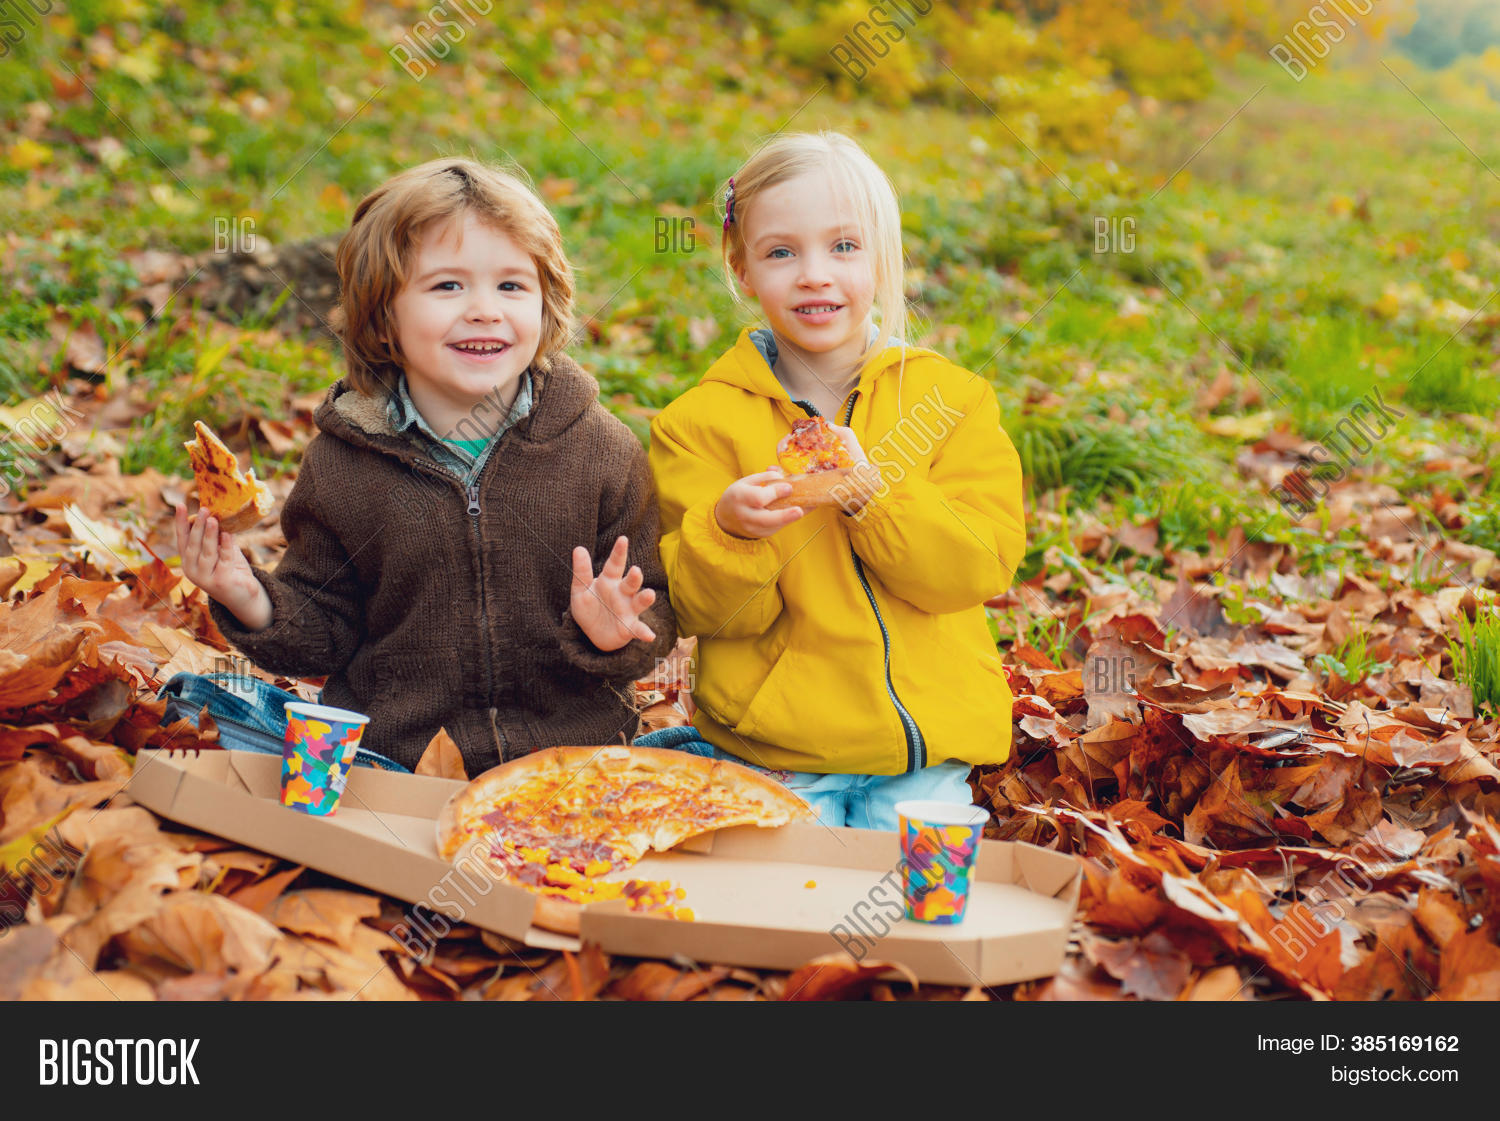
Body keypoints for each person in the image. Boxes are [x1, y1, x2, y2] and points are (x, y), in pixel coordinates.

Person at [170, 157, 675, 775]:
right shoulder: (343, 463)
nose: (484, 310)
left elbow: (655, 610)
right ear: (384, 318)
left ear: (547, 307)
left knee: (702, 754)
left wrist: (614, 631)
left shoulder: (602, 450)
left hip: (566, 765)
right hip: (394, 764)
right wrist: (247, 594)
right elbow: (324, 630)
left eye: (512, 286)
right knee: (200, 703)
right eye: (447, 286)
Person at [640, 131, 1024, 830]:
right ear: (742, 267)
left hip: (923, 751)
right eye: (781, 252)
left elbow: (974, 569)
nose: (814, 275)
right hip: (778, 749)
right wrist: (728, 531)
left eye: (843, 246)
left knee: (918, 889)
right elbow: (711, 614)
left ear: (882, 258)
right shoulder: (699, 425)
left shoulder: (950, 401)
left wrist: (874, 496)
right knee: (786, 887)